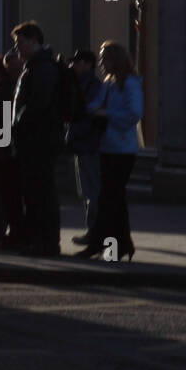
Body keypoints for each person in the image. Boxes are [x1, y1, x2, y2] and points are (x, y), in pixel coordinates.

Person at [75, 41, 142, 261]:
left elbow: (134, 114)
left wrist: (107, 114)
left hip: (122, 149)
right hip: (107, 147)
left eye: (105, 58)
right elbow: (95, 104)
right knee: (115, 200)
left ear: (116, 59)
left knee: (108, 200)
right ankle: (123, 245)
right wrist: (87, 109)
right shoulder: (109, 82)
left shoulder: (129, 84)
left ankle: (100, 244)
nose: (102, 62)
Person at [9, 20, 63, 257]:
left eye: (20, 43)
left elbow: (39, 103)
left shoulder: (43, 68)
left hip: (39, 140)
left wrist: (19, 122)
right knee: (34, 192)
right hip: (35, 139)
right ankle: (38, 240)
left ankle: (45, 242)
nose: (17, 48)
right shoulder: (35, 66)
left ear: (34, 41)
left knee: (41, 192)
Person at [64, 47, 105, 243]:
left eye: (77, 62)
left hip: (89, 144)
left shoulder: (92, 86)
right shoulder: (79, 84)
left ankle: (95, 232)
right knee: (87, 191)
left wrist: (77, 133)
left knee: (92, 190)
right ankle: (93, 231)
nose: (73, 66)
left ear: (87, 64)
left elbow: (88, 116)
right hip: (82, 144)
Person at [0, 48, 23, 247]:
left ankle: (12, 232)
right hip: (5, 147)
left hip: (8, 147)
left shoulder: (3, 89)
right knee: (8, 193)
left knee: (10, 193)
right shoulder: (6, 88)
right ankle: (10, 231)